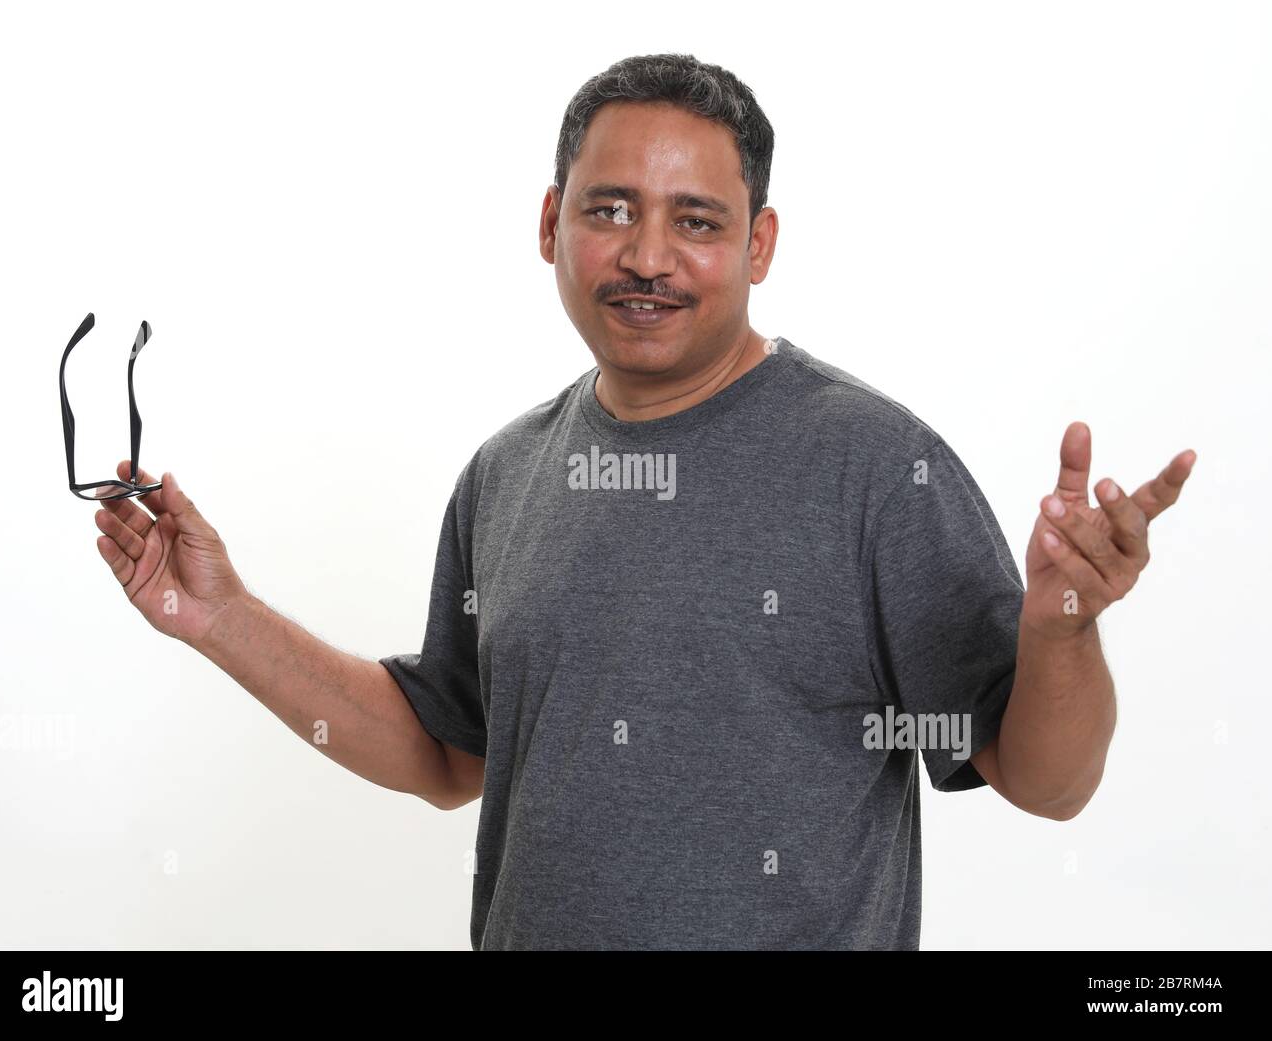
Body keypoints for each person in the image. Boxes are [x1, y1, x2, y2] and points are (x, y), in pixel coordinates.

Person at [91, 53, 1195, 950]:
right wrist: (222, 619)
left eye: (698, 221)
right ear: (548, 224)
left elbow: (1047, 785)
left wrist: (1062, 632)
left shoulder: (879, 469)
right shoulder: (505, 475)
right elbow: (448, 757)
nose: (647, 256)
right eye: (609, 210)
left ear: (759, 244)